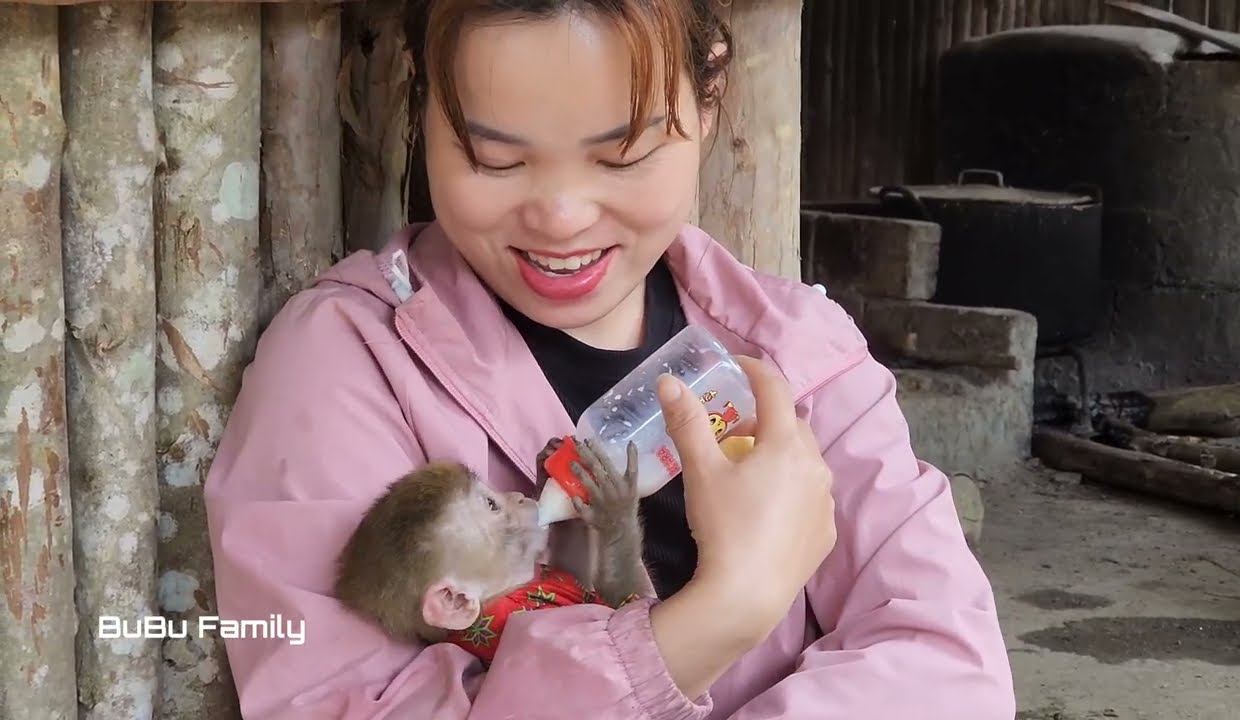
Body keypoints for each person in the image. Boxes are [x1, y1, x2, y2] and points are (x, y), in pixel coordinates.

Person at [203, 0, 1016, 718]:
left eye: (621, 155)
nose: (560, 217)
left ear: (709, 96)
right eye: (496, 158)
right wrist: (728, 608)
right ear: (425, 104)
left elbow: (948, 665)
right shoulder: (345, 367)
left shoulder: (799, 348)